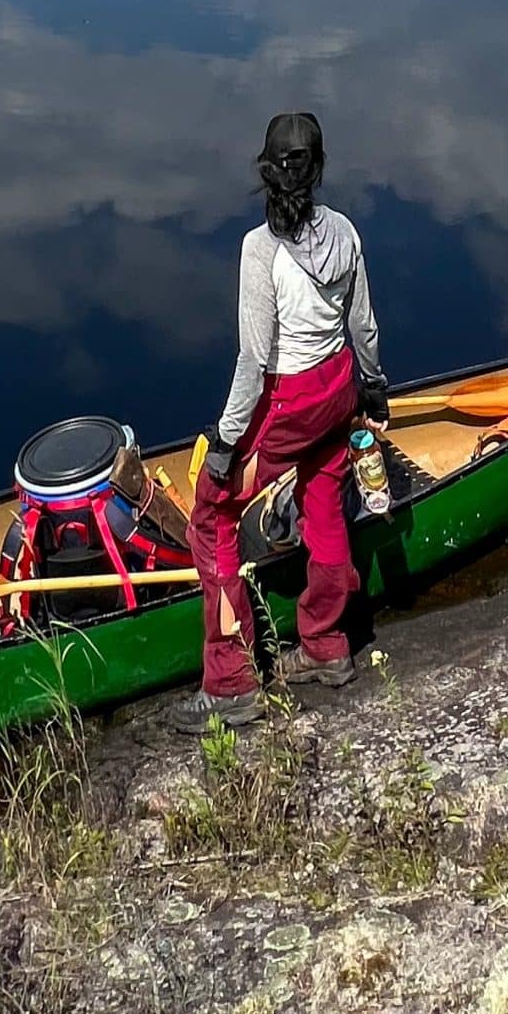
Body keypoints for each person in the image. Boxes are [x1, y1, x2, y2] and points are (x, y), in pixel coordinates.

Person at [168, 111, 387, 734]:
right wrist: (374, 388)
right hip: (339, 388)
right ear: (317, 171)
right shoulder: (344, 231)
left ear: (267, 172)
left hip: (288, 405)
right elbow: (363, 326)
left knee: (211, 518)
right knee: (323, 501)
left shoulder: (260, 249)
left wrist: (226, 439)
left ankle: (231, 682)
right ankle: (327, 646)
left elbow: (254, 357)